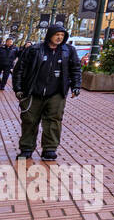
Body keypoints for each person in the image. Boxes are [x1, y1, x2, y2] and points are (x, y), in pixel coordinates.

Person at [13, 23, 82, 160]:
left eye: (62, 35)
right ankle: (26, 148)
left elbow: (75, 69)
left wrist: (76, 86)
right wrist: (18, 89)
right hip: (33, 92)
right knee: (29, 121)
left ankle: (49, 149)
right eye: (57, 35)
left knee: (53, 121)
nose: (59, 37)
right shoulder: (34, 49)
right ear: (50, 35)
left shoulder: (69, 51)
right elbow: (19, 69)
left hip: (56, 93)